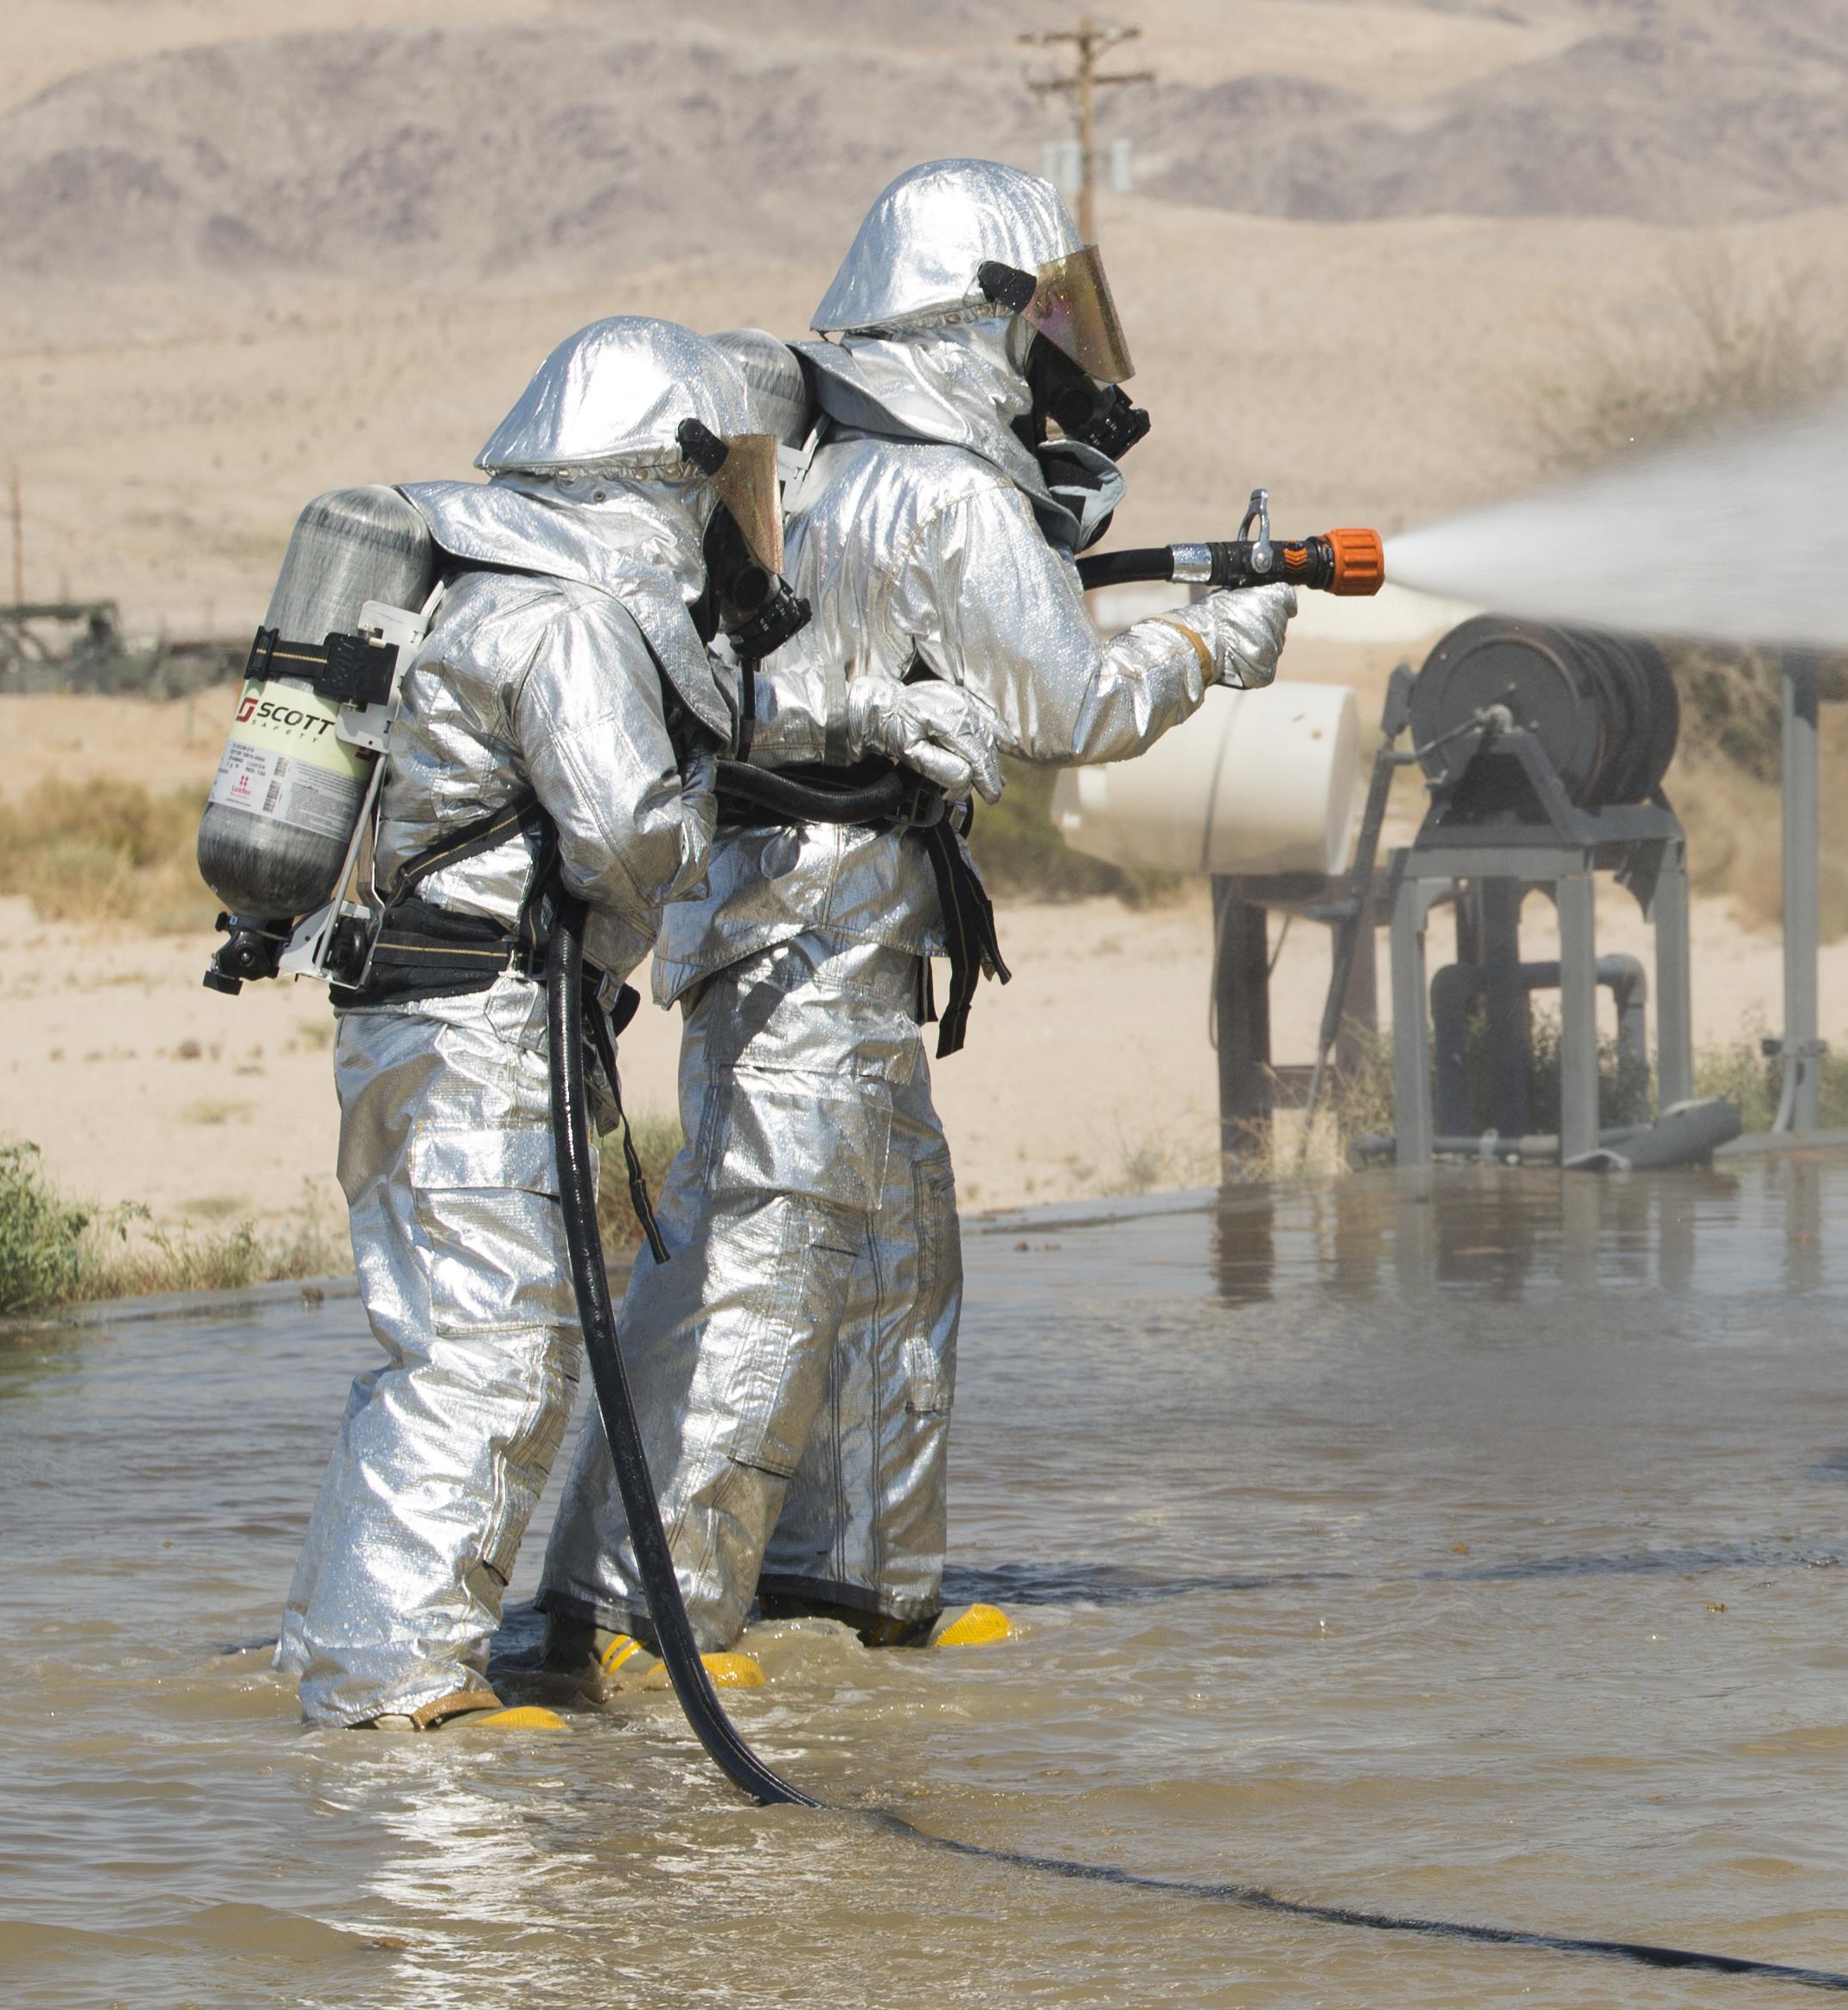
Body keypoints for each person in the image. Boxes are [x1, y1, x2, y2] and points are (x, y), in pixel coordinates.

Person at [528, 159, 1294, 1674]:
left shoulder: (838, 474)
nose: (1065, 359)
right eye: (1048, 320)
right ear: (976, 319)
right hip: (812, 941)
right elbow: (1068, 703)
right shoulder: (943, 491)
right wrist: (1220, 644)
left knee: (893, 1263)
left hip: (836, 937)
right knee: (765, 1257)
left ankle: (853, 1578)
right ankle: (633, 1606)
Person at [275, 316, 771, 1732]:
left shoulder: (479, 593)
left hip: (422, 1021)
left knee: (442, 1348)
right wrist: (709, 803)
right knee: (485, 1354)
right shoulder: (558, 618)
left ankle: (354, 1655)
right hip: (482, 1027)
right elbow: (622, 841)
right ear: (655, 479)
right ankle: (389, 1693)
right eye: (710, 487)